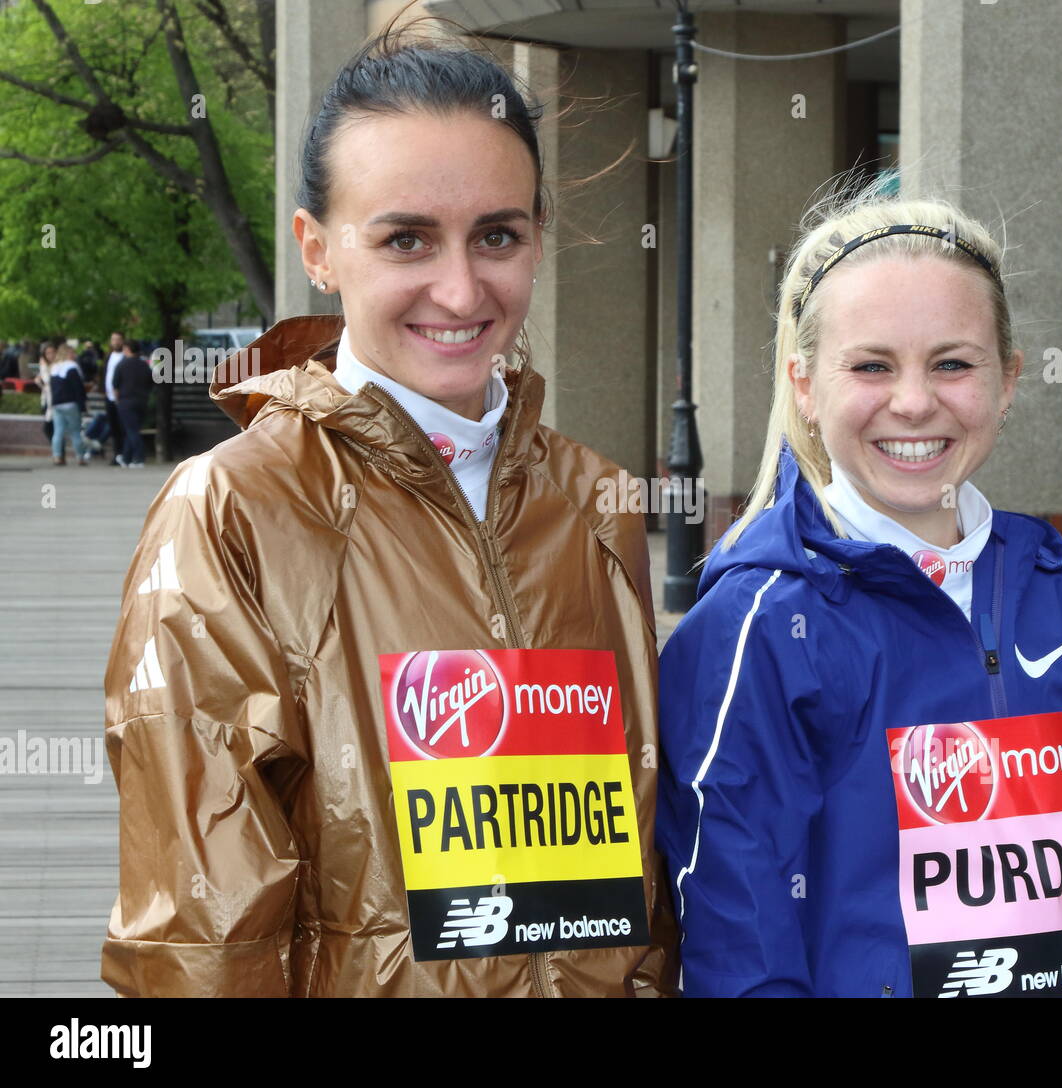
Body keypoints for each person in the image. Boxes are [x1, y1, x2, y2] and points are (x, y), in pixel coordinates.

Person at [101, 14, 677, 998]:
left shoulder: (594, 499)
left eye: (497, 234)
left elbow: (642, 885)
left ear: (538, 238)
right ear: (317, 249)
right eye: (407, 237)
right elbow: (200, 940)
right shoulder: (232, 509)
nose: (460, 288)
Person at [655, 185, 1062, 998]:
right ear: (803, 383)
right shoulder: (758, 622)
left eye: (953, 363)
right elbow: (738, 940)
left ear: (1007, 380)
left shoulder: (1060, 599)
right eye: (871, 365)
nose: (912, 402)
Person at [47, 340, 91, 465]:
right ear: (67, 353)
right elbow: (78, 387)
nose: (74, 355)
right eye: (72, 352)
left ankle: (57, 456)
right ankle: (80, 457)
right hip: (70, 402)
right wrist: (82, 405)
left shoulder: (54, 367)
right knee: (75, 431)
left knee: (58, 431)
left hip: (57, 403)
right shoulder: (72, 366)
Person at [111, 340, 151, 467]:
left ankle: (139, 458)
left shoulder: (122, 365)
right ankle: (126, 458)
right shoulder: (144, 365)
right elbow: (150, 382)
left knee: (132, 431)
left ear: (127, 349)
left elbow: (115, 385)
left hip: (126, 401)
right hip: (141, 401)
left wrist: (118, 400)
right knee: (132, 429)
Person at [102, 330, 126, 455]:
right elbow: (105, 374)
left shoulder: (125, 357)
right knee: (113, 426)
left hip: (121, 397)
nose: (115, 342)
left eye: (118, 339)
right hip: (109, 397)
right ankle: (116, 453)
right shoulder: (109, 356)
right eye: (113, 339)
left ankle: (123, 453)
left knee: (122, 426)